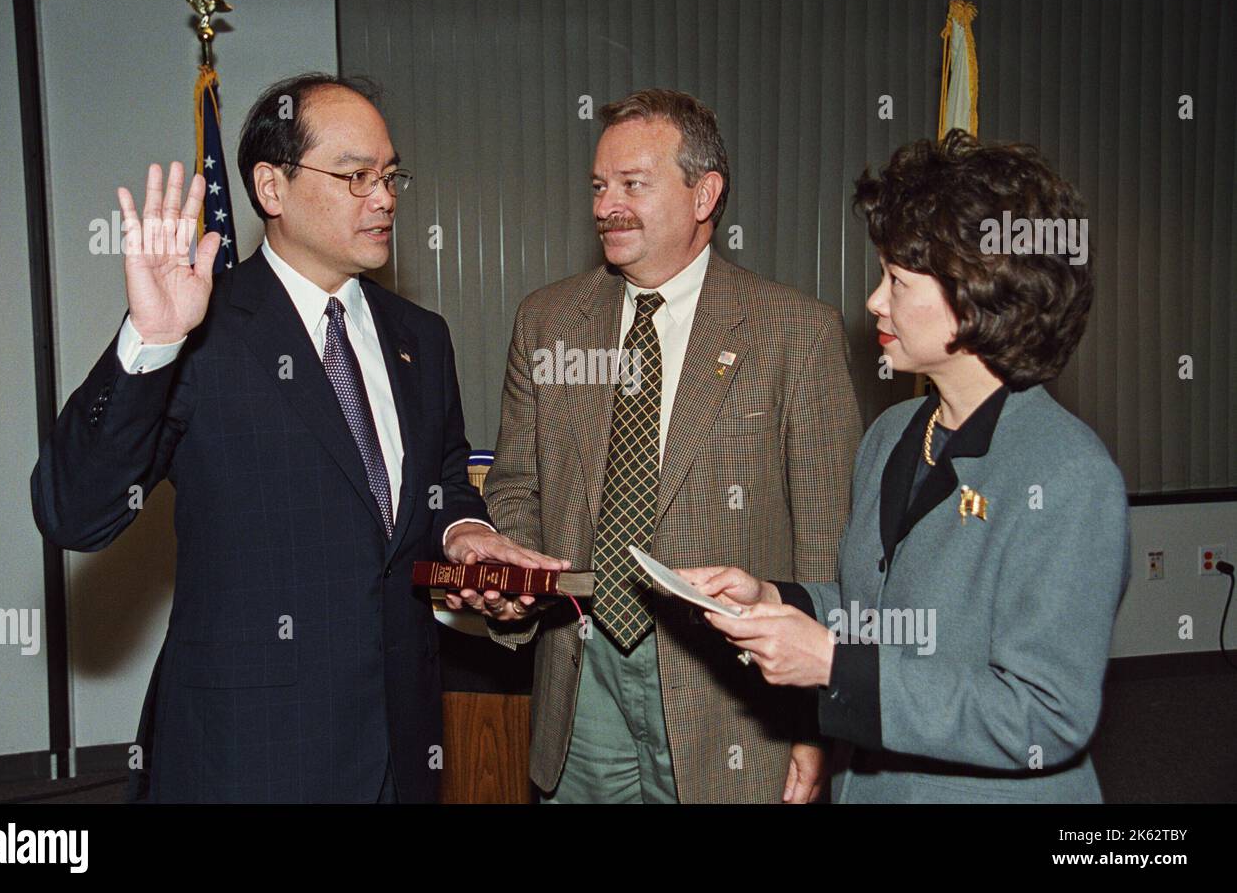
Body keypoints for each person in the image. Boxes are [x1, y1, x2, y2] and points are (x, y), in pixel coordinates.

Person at [31, 73, 562, 803]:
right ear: (271, 188)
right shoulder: (202, 330)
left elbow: (435, 485)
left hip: (402, 747)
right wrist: (149, 341)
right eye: (354, 177)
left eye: (389, 175)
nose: (384, 198)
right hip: (249, 752)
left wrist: (470, 534)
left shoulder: (421, 339)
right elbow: (76, 513)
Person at [684, 130, 1130, 803]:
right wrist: (777, 600)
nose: (874, 302)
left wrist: (834, 667)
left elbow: (1045, 715)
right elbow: (879, 612)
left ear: (979, 295)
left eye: (897, 281)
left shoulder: (1068, 474)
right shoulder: (893, 434)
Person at [448, 88, 862, 803]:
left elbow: (828, 541)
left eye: (633, 184)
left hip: (732, 704)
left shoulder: (795, 331)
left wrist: (816, 721)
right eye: (600, 186)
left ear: (704, 195)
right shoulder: (549, 321)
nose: (608, 205)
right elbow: (517, 486)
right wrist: (512, 582)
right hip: (580, 684)